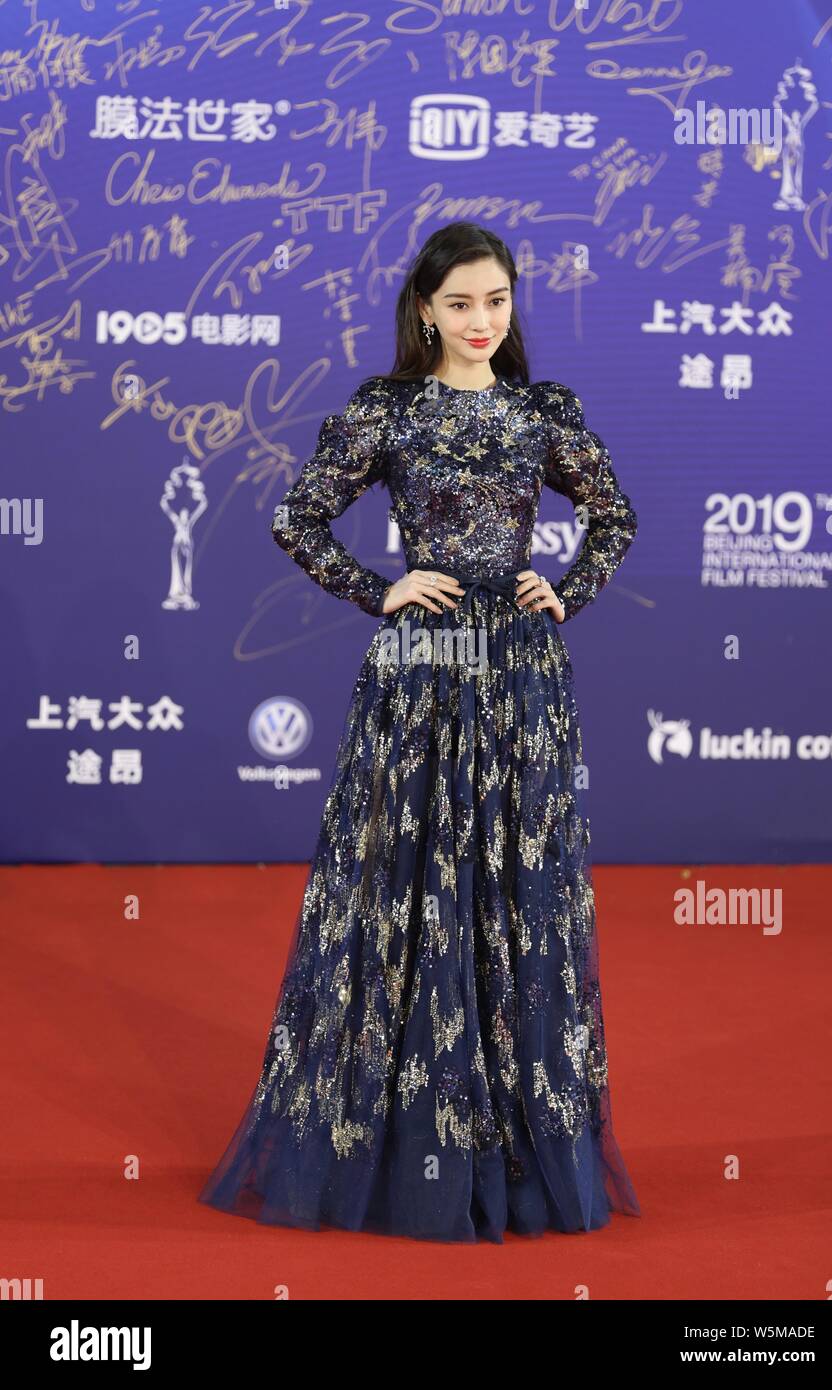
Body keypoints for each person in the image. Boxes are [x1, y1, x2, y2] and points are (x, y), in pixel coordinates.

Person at [198, 222, 641, 1243]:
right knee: (406, 900)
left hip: (522, 683)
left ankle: (515, 1150)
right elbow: (296, 516)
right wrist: (379, 588)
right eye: (460, 304)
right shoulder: (386, 410)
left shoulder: (543, 413)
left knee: (516, 905)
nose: (481, 322)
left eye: (496, 301)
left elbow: (614, 512)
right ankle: (399, 1152)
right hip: (419, 679)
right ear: (424, 310)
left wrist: (565, 590)